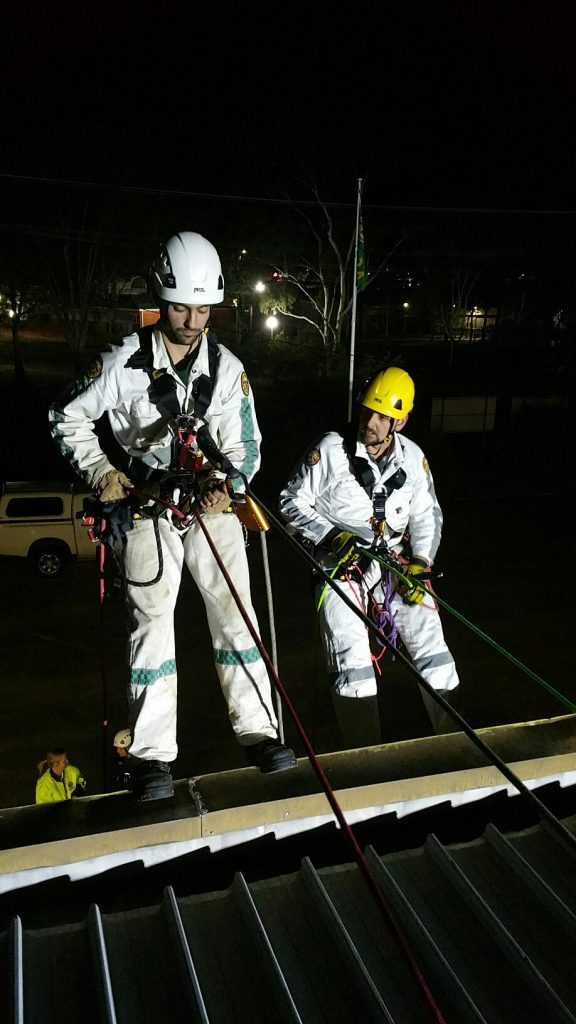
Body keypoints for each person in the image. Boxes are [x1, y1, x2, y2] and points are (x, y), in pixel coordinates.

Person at [49, 230, 296, 802]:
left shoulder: (228, 370)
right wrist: (103, 472)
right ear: (161, 298)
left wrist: (227, 484)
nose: (191, 318)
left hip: (210, 509)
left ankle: (260, 731)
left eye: (203, 307)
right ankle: (152, 757)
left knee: (238, 614)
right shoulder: (122, 363)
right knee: (152, 626)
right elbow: (67, 416)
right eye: (181, 306)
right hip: (148, 506)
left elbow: (247, 447)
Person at [279, 366, 460, 747]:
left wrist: (422, 563)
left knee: (434, 651)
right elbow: (290, 501)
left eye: (382, 416)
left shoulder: (412, 458)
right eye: (366, 411)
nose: (370, 422)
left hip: (396, 563)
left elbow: (426, 513)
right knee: (353, 663)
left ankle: (455, 742)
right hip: (341, 565)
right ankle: (366, 757)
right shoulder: (329, 449)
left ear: (402, 420)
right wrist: (330, 536)